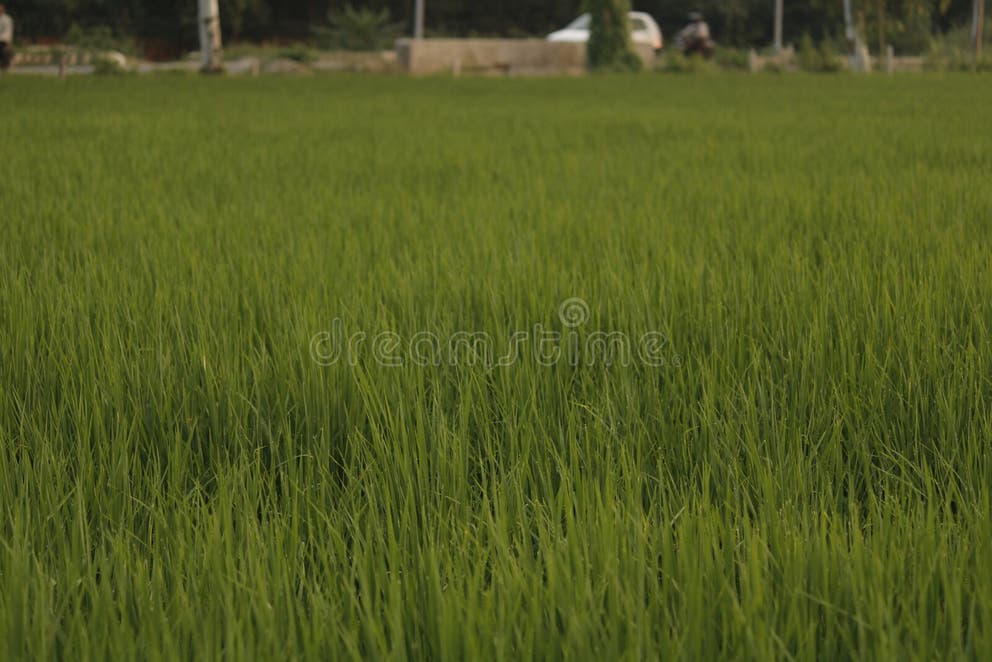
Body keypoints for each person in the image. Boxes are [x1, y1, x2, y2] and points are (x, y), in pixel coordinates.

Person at [0, 5, 12, 73]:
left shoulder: (7, 19)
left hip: (4, 40)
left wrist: (8, 41)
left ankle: (5, 67)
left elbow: (8, 30)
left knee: (4, 53)